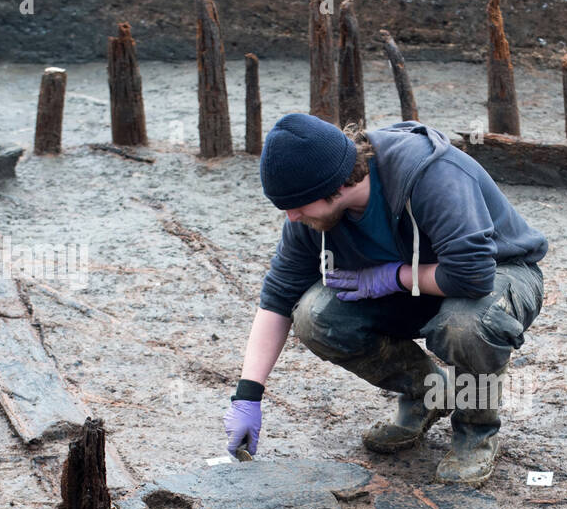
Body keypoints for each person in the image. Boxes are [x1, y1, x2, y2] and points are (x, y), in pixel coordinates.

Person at [223, 112, 549, 486]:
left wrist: (394, 276)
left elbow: (471, 275)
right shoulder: (309, 212)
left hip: (500, 275)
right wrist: (248, 395)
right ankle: (430, 394)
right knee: (315, 316)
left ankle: (476, 432)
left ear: (337, 187)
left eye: (297, 205)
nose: (291, 216)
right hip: (415, 287)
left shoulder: (430, 173)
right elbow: (279, 296)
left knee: (465, 325)